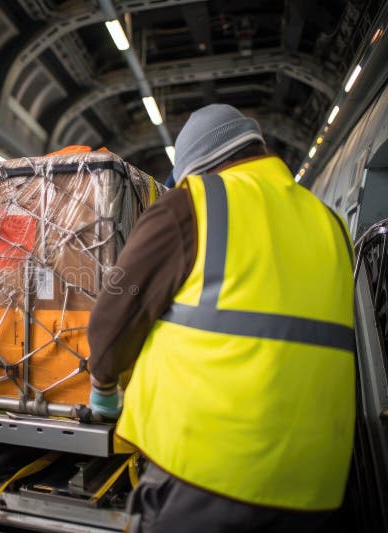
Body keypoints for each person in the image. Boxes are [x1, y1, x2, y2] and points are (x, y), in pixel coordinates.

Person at [87, 104, 355, 533]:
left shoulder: (194, 203)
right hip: (319, 484)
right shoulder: (331, 223)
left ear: (198, 167)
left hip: (211, 473)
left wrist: (103, 389)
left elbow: (114, 318)